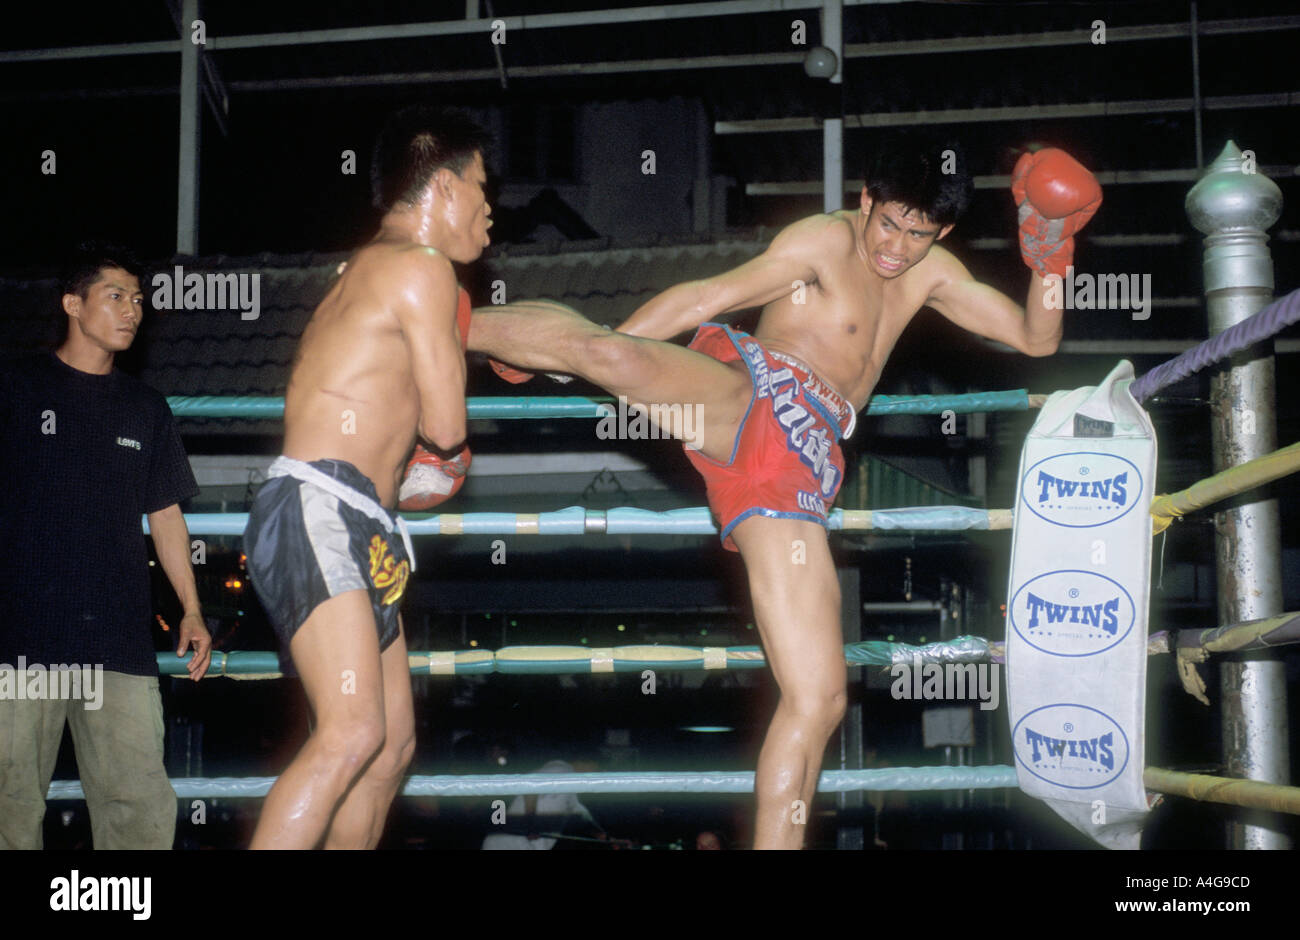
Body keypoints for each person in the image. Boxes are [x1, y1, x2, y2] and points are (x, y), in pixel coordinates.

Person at [468, 138, 1101, 849]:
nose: (894, 246)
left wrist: (1050, 254)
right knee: (610, 353)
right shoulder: (824, 242)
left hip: (800, 460)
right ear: (866, 200)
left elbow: (1035, 339)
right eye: (887, 223)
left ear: (942, 232)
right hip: (748, 389)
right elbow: (708, 296)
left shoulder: (933, 275)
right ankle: (447, 319)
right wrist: (616, 349)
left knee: (821, 695)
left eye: (917, 234)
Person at [242, 106, 492, 849]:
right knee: (352, 732)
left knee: (387, 751)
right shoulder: (421, 269)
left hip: (357, 522)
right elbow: (447, 433)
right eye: (482, 186)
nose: (490, 207)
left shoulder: (367, 268)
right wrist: (444, 463)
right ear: (442, 188)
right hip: (321, 504)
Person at [0, 243, 212, 849]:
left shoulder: (146, 408)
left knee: (139, 813)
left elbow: (166, 513)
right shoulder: (15, 387)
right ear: (73, 304)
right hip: (20, 643)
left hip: (117, 642)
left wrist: (191, 609)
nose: (132, 310)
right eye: (116, 296)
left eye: (139, 300)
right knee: (7, 812)